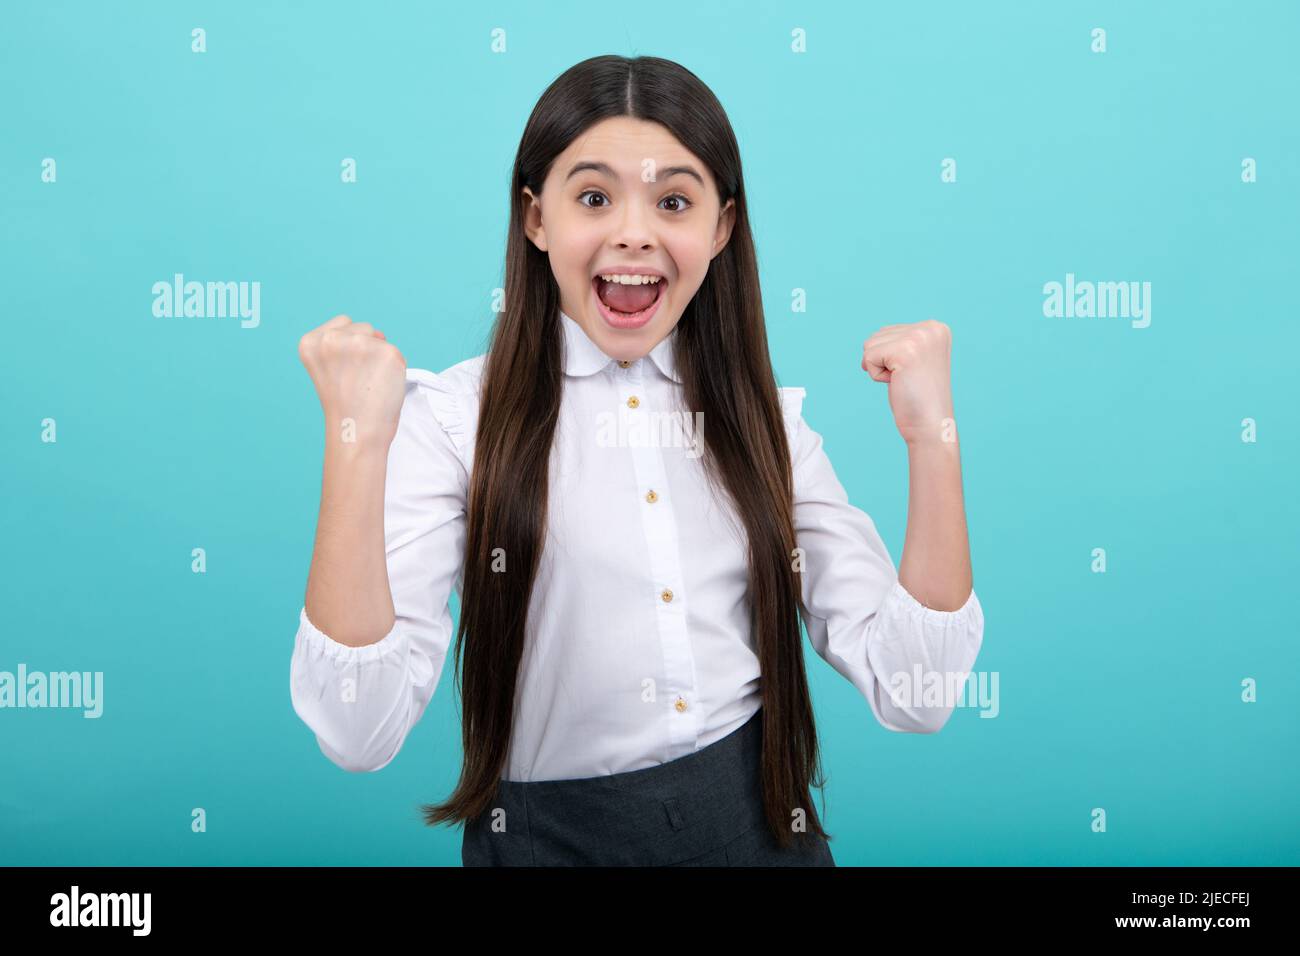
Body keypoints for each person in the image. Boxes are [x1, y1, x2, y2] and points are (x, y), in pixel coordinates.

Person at [290, 54, 985, 867]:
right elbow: (355, 728)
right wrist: (356, 444)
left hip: (759, 831)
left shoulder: (767, 423)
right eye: (593, 197)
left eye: (674, 202)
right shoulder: (453, 423)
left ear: (721, 229)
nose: (633, 231)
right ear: (535, 218)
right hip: (550, 844)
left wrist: (932, 437)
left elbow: (918, 692)